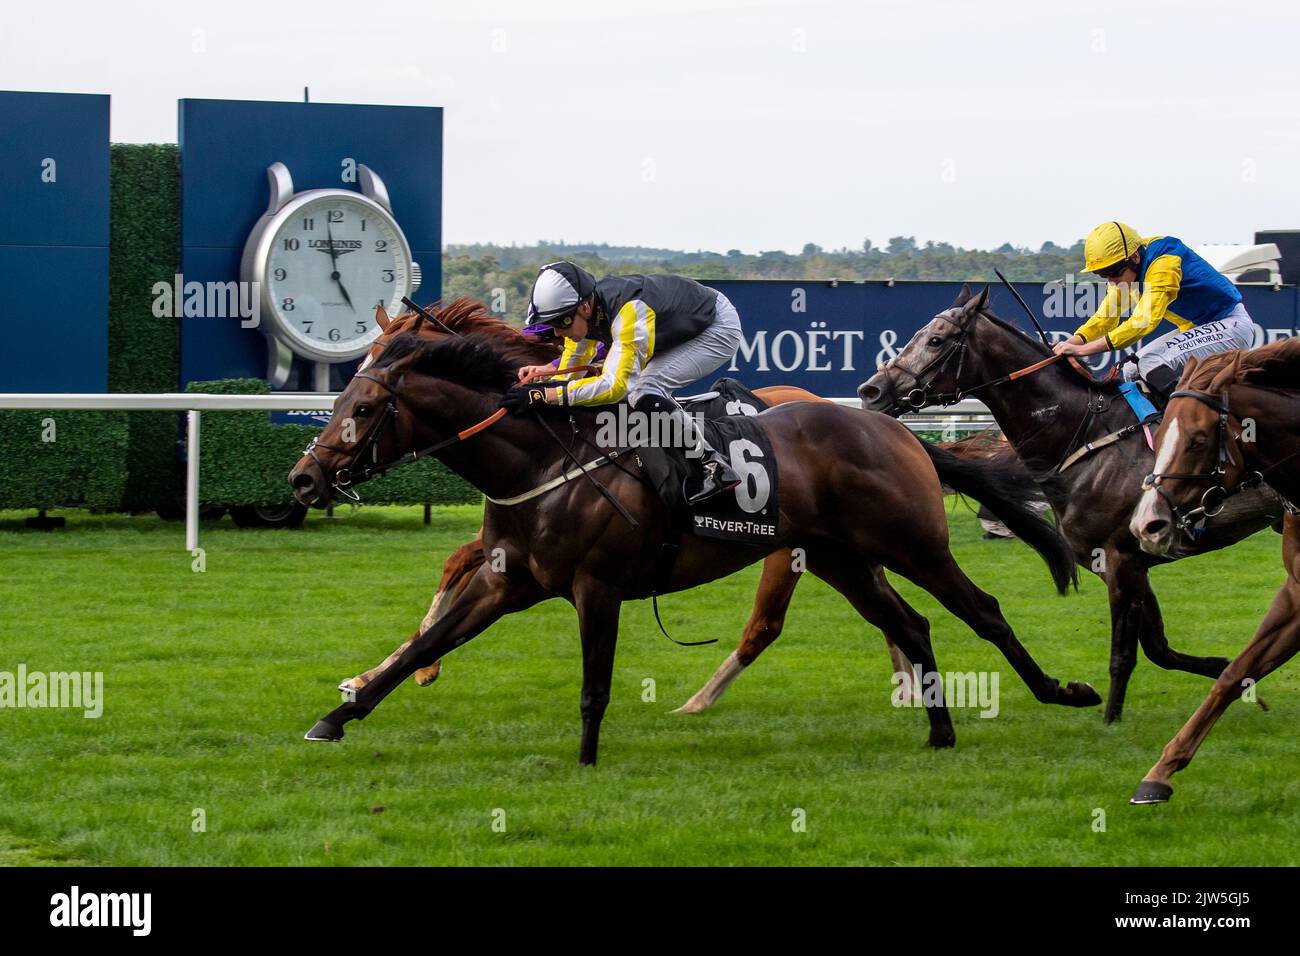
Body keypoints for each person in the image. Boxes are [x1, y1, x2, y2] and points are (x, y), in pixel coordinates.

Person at [503, 261, 742, 504]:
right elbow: (571, 369)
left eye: (561, 322)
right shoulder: (587, 309)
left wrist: (545, 395)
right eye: (553, 324)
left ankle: (713, 465)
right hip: (681, 321)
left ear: (584, 306)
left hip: (716, 327)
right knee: (635, 388)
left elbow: (615, 387)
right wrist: (542, 383)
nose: (556, 333)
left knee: (645, 390)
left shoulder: (628, 313)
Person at [1052, 221, 1255, 399]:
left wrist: (1082, 350)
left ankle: (1181, 426)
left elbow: (1142, 323)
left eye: (1113, 272)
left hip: (1230, 325)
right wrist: (1068, 344)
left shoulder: (1164, 264)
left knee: (1150, 362)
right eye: (1102, 274)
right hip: (1204, 326)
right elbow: (1104, 319)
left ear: (1135, 258)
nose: (1110, 280)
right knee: (1132, 369)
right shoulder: (1127, 270)